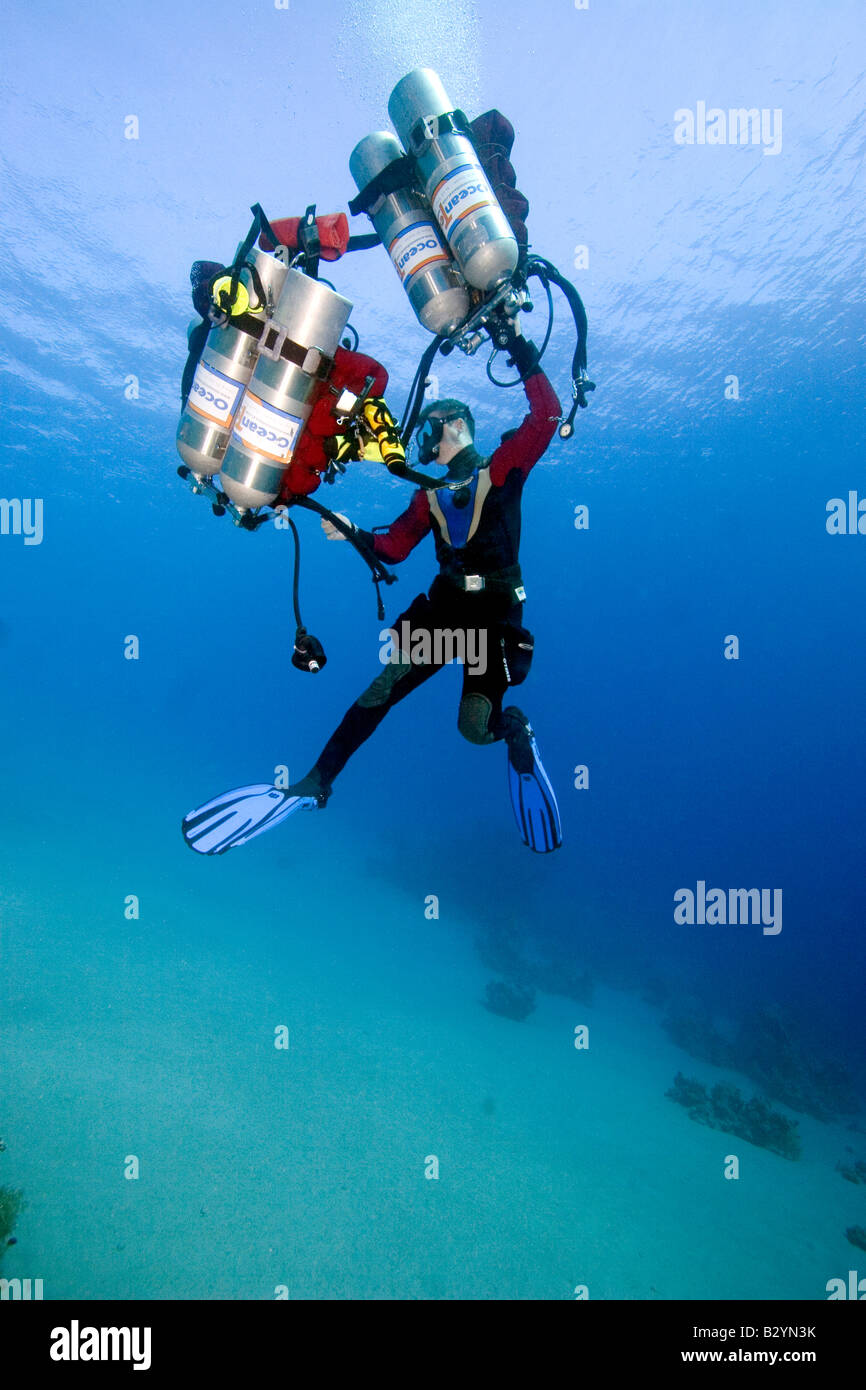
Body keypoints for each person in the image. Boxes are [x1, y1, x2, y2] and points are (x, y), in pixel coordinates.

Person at [182, 323, 564, 856]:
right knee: (379, 692)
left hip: (495, 613)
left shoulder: (501, 468)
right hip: (447, 608)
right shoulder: (428, 494)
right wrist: (351, 531)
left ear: (455, 424)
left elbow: (546, 417)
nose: (422, 440)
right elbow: (394, 548)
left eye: (431, 429)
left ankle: (515, 732)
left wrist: (517, 347)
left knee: (474, 728)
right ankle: (317, 780)